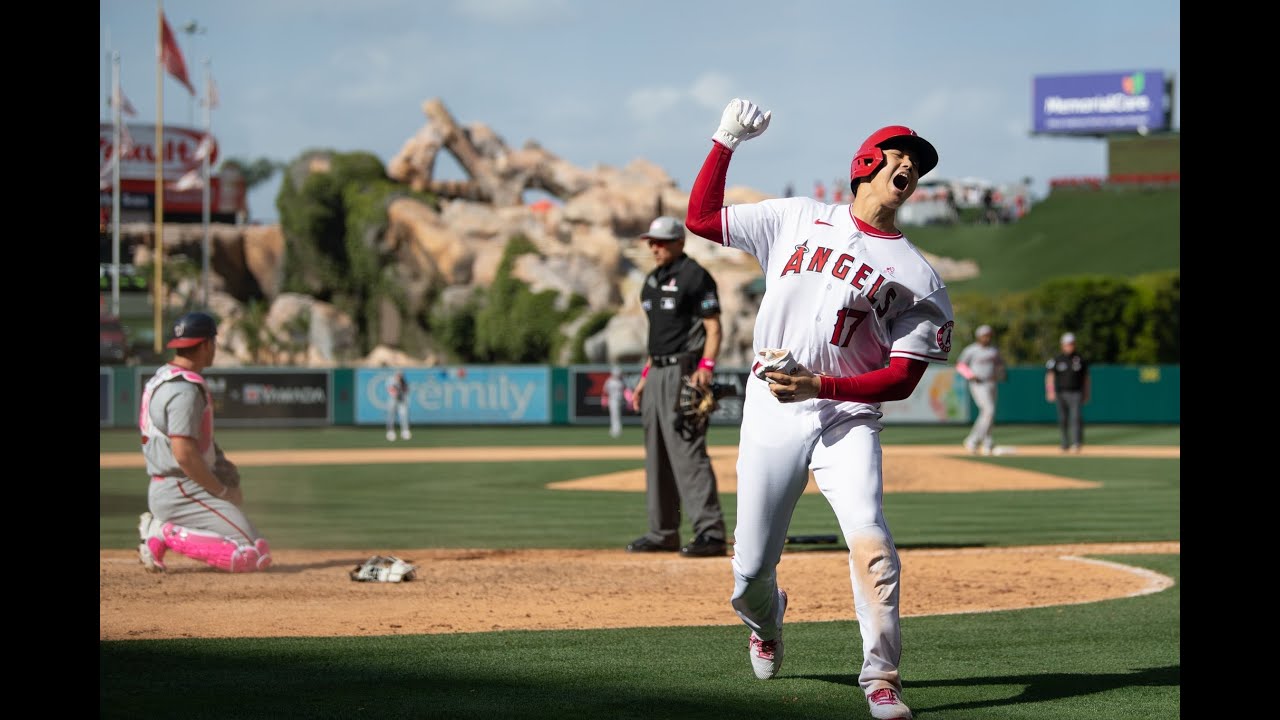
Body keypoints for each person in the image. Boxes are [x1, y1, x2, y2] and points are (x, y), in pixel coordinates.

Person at [684, 98, 954, 720]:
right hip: (774, 403)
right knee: (750, 571)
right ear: (866, 163)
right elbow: (700, 219)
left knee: (874, 544)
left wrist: (821, 389)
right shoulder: (796, 218)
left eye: (918, 162)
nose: (910, 166)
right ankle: (766, 619)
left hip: (845, 417)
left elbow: (902, 379)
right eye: (901, 154)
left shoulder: (917, 275)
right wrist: (726, 140)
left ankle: (881, 676)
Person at [136, 311, 272, 574]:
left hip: (175, 485)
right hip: (182, 489)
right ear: (208, 344)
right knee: (251, 555)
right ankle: (163, 531)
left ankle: (158, 536)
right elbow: (184, 454)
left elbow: (195, 442)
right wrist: (222, 491)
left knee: (259, 548)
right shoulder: (184, 390)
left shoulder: (163, 376)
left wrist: (220, 464)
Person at [626, 215, 729, 559]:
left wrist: (706, 368)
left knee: (687, 451)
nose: (655, 247)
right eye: (651, 242)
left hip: (684, 370)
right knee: (656, 453)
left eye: (662, 241)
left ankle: (710, 533)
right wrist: (644, 379)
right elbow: (656, 339)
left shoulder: (694, 275)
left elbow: (713, 328)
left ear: (679, 243)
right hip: (657, 371)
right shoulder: (651, 282)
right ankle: (663, 531)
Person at [955, 324, 1007, 455]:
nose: (987, 338)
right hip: (978, 383)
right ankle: (973, 440)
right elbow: (960, 365)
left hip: (991, 383)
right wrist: (970, 375)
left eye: (989, 335)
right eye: (984, 335)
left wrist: (1000, 374)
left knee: (988, 414)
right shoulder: (971, 350)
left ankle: (987, 442)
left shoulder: (993, 351)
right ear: (979, 337)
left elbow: (1000, 365)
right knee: (988, 410)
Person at [1045, 332, 1090, 453]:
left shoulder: (1080, 359)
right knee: (1063, 419)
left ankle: (1077, 443)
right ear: (1062, 345)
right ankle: (1065, 443)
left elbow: (1086, 378)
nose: (1070, 346)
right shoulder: (1057, 359)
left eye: (1071, 344)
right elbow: (1050, 376)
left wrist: (1086, 393)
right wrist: (1050, 391)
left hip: (1076, 392)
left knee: (1076, 417)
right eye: (1067, 344)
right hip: (1061, 393)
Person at [386, 369, 411, 441]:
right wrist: (397, 388)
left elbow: (407, 390)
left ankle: (405, 431)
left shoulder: (403, 381)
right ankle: (390, 432)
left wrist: (402, 387)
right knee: (391, 416)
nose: (400, 376)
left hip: (402, 400)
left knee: (404, 415)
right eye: (398, 374)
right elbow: (392, 391)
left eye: (401, 375)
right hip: (393, 400)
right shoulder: (391, 380)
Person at [603, 365, 625, 438]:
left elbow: (624, 390)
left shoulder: (620, 381)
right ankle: (615, 430)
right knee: (614, 415)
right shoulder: (610, 381)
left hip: (619, 400)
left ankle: (617, 430)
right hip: (613, 400)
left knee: (617, 415)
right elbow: (605, 391)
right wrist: (605, 400)